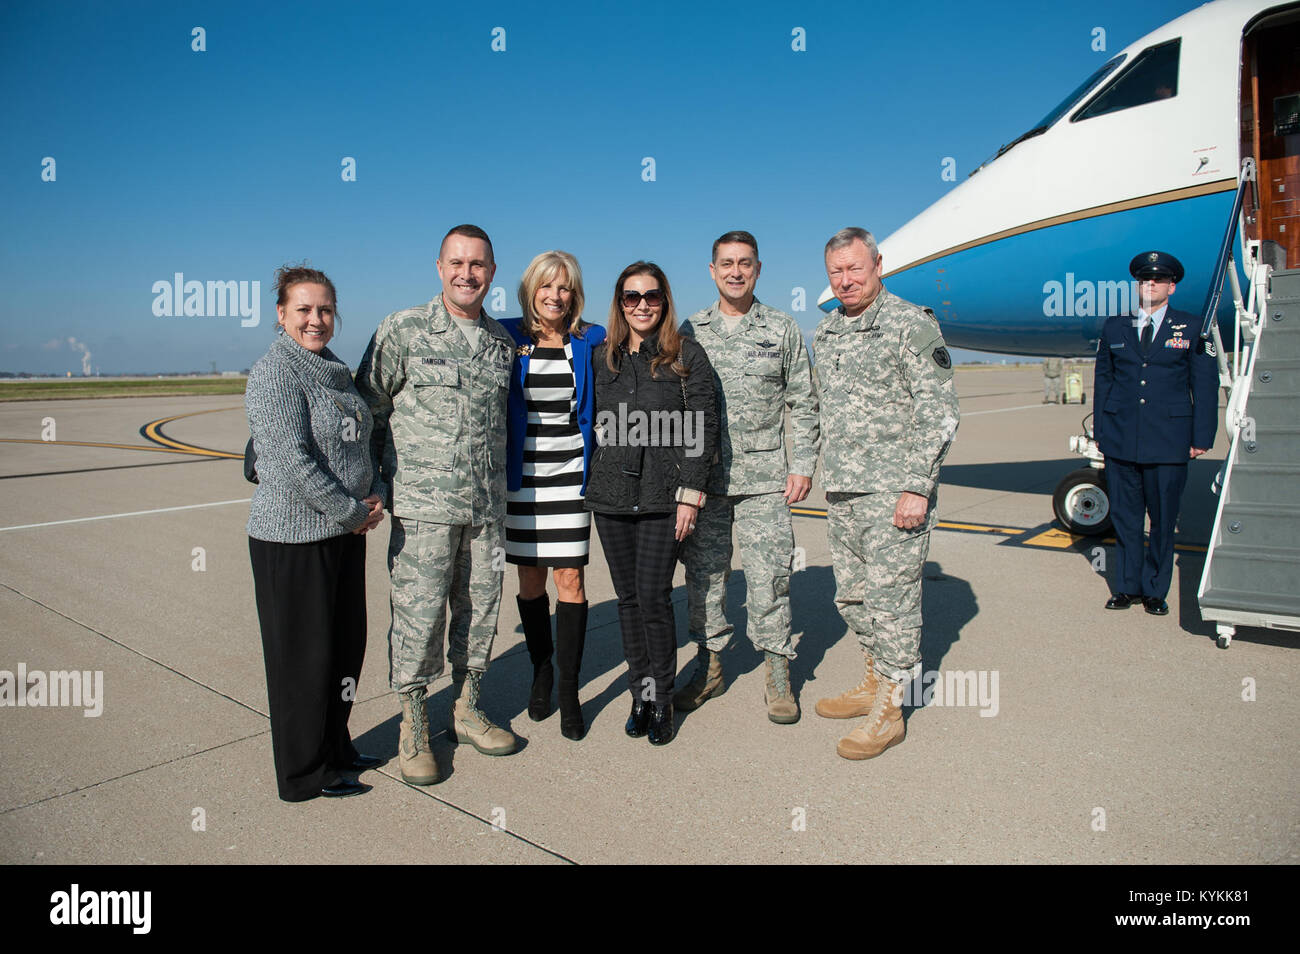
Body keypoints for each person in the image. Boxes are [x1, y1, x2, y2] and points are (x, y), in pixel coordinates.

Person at [354, 224, 517, 786]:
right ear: (439, 267)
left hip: (486, 509)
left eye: (477, 264)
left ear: (492, 272)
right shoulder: (403, 330)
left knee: (480, 612)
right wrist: (370, 484)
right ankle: (414, 723)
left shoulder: (500, 343)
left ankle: (468, 709)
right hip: (422, 508)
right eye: (456, 263)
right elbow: (367, 412)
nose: (466, 273)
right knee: (420, 617)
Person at [812, 228, 960, 760]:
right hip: (845, 491)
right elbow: (822, 410)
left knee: (893, 604)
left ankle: (891, 711)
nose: (846, 280)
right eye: (836, 272)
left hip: (896, 492)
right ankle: (873, 680)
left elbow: (939, 411)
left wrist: (917, 487)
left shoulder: (909, 324)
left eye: (855, 268)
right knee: (852, 596)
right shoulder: (826, 333)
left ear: (878, 264)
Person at [245, 264, 386, 801]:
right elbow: (289, 463)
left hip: (343, 532)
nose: (315, 319)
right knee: (303, 658)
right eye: (303, 309)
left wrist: (371, 493)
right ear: (281, 315)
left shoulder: (335, 369)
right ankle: (305, 772)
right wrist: (352, 511)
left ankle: (337, 746)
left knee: (344, 648)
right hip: (293, 539)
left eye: (324, 309)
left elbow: (358, 443)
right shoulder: (275, 373)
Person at [677, 230, 820, 724]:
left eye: (745, 263)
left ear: (758, 269)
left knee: (769, 578)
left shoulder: (781, 329)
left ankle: (778, 672)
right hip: (705, 483)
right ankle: (709, 667)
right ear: (712, 270)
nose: (735, 271)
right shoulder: (690, 330)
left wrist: (802, 463)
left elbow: (803, 401)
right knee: (704, 579)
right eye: (726, 263)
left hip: (763, 481)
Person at [584, 262, 718, 746]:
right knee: (626, 601)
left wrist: (691, 493)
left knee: (654, 599)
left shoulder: (686, 356)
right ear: (620, 303)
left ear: (665, 300)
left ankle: (662, 698)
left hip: (665, 498)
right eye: (631, 297)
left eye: (652, 296)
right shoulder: (604, 358)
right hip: (612, 498)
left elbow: (704, 427)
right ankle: (639, 694)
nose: (642, 305)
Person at [500, 251, 606, 741]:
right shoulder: (507, 335)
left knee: (571, 578)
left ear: (574, 294)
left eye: (564, 287)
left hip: (570, 475)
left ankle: (568, 689)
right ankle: (541, 670)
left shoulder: (590, 340)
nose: (555, 296)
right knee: (530, 580)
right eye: (546, 286)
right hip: (522, 478)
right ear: (530, 290)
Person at [1095, 251, 1217, 615]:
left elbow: (1205, 385)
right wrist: (1101, 431)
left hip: (1169, 440)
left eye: (1159, 280)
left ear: (1171, 287)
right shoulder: (1114, 327)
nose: (1151, 284)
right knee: (1126, 518)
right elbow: (1104, 381)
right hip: (1121, 438)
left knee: (1163, 521)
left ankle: (1154, 590)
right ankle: (1126, 587)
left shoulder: (1192, 327)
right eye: (1145, 280)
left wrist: (1202, 437)